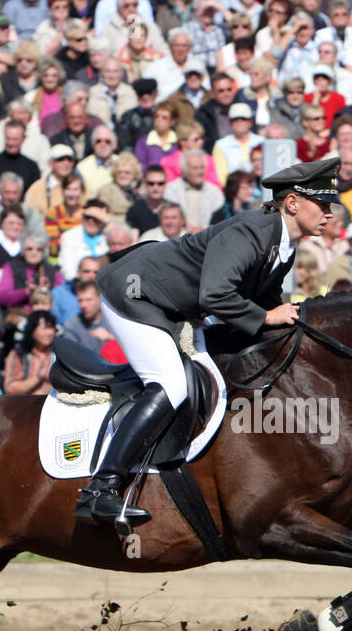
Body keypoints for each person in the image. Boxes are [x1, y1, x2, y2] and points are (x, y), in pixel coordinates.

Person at [80, 155, 335, 527]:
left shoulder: (284, 245)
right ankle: (101, 489)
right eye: (323, 204)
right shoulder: (250, 232)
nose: (329, 213)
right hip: (134, 296)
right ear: (293, 203)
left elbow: (263, 299)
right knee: (171, 383)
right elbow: (215, 296)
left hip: (172, 306)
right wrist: (266, 317)